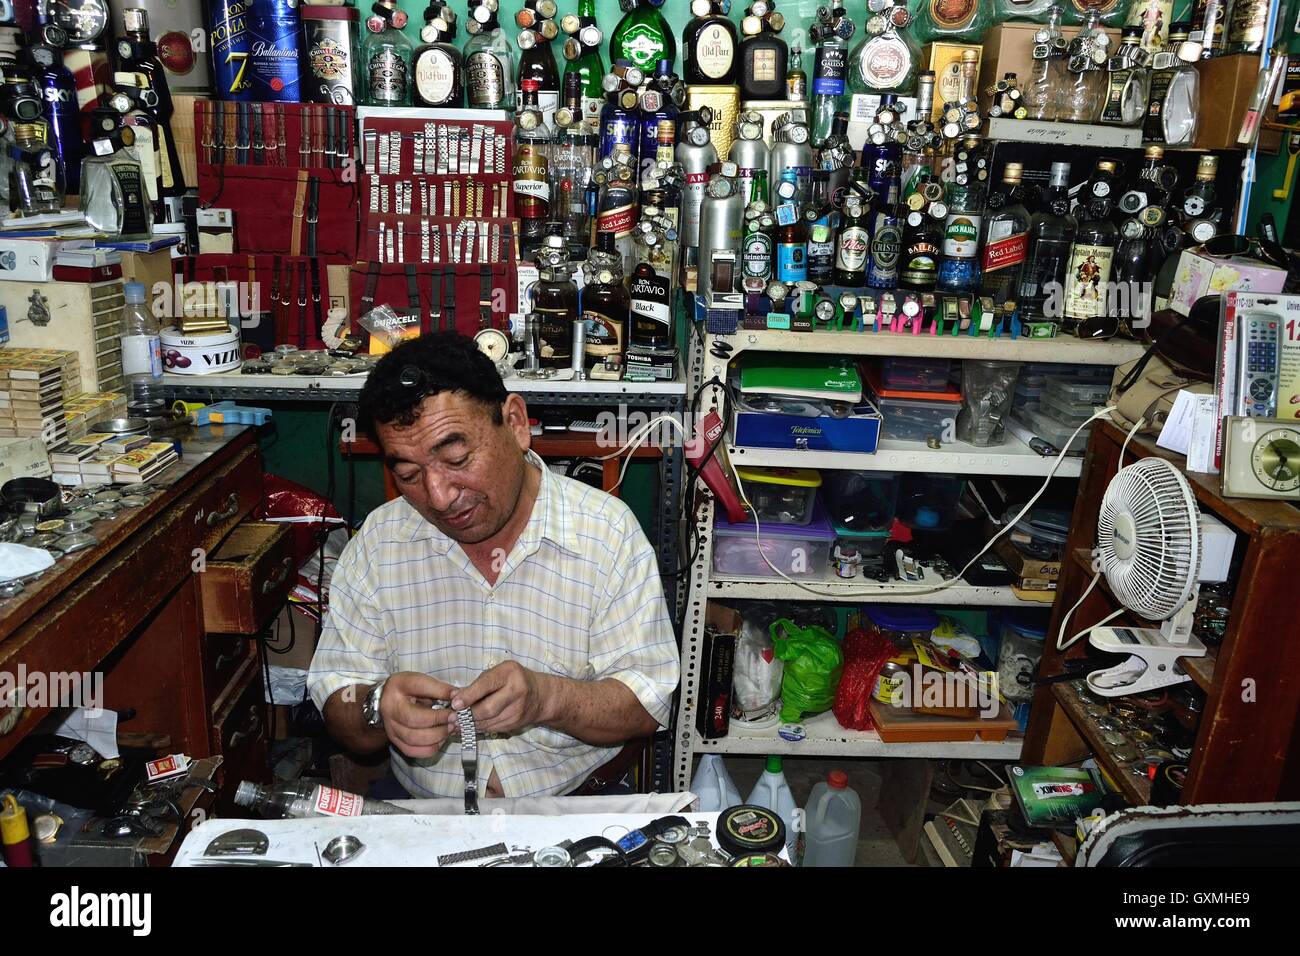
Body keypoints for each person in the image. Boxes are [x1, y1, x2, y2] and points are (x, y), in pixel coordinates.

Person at [307, 332, 679, 799]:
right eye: (408, 474)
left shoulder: (606, 533)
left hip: (576, 800)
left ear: (516, 423)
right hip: (427, 807)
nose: (439, 496)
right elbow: (337, 696)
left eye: (457, 458)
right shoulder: (380, 544)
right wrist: (377, 707)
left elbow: (648, 703)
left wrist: (548, 699)